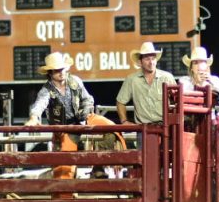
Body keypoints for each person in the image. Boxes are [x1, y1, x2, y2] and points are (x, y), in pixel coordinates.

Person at [27, 51, 100, 179]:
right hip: (63, 129)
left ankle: (100, 169)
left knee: (110, 130)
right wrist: (34, 117)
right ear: (50, 73)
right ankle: (67, 184)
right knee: (64, 157)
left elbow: (88, 99)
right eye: (57, 70)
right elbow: (39, 104)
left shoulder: (75, 81)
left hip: (83, 121)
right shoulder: (46, 91)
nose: (61, 73)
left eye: (62, 69)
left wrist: (86, 111)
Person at [115, 41, 176, 127]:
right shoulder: (132, 80)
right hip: (143, 129)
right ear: (140, 62)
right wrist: (124, 121)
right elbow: (120, 102)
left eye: (153, 58)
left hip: (166, 127)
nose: (151, 62)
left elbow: (178, 101)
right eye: (147, 59)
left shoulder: (167, 78)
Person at [178, 46, 219, 121]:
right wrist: (196, 83)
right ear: (191, 67)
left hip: (209, 120)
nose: (199, 66)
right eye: (195, 63)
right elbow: (182, 94)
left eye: (202, 62)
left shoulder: (214, 80)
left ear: (206, 65)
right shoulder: (184, 81)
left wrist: (210, 80)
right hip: (190, 120)